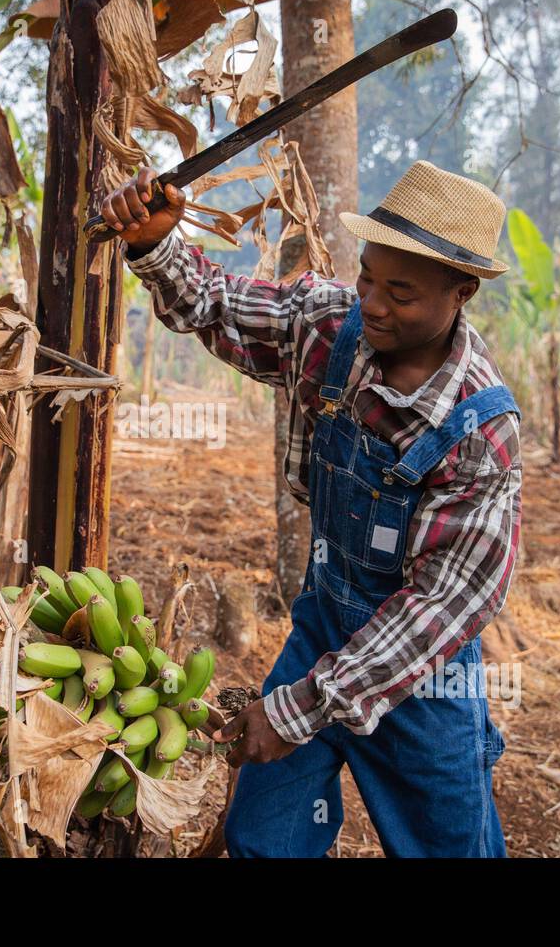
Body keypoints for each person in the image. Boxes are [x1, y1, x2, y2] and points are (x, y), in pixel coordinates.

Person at [99, 161, 521, 857]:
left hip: (423, 667)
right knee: (263, 836)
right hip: (325, 617)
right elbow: (217, 303)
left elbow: (441, 607)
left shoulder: (479, 428)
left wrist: (298, 710)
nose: (374, 304)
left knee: (447, 847)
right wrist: (154, 245)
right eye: (368, 277)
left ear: (462, 291)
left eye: (402, 293)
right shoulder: (332, 327)